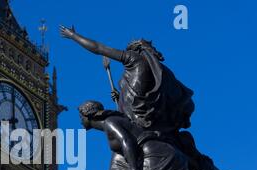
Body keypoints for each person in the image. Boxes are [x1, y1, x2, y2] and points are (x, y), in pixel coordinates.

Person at [60, 26, 195, 132]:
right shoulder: (160, 70)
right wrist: (120, 99)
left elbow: (98, 48)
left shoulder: (132, 58)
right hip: (146, 116)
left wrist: (74, 36)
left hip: (135, 118)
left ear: (134, 49)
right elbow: (138, 93)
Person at [78, 101, 190, 170]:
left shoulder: (109, 122)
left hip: (153, 155)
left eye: (81, 117)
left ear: (87, 115)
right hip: (154, 152)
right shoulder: (113, 120)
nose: (80, 121)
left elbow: (126, 141)